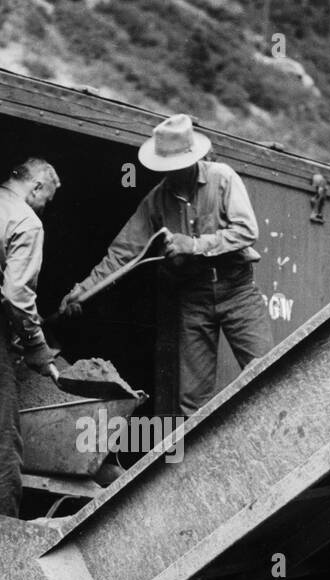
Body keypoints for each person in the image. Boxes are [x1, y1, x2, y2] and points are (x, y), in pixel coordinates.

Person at [60, 114, 272, 416]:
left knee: (268, 373)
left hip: (237, 291)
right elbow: (122, 253)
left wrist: (195, 244)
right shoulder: (156, 200)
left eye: (176, 165)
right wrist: (85, 289)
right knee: (191, 400)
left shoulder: (222, 178)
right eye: (165, 167)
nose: (171, 173)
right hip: (193, 298)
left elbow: (247, 231)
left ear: (192, 157)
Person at [0, 158, 61, 516]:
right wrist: (37, 348)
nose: (44, 208)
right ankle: (4, 544)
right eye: (46, 199)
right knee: (2, 443)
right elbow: (16, 295)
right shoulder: (27, 221)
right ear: (36, 188)